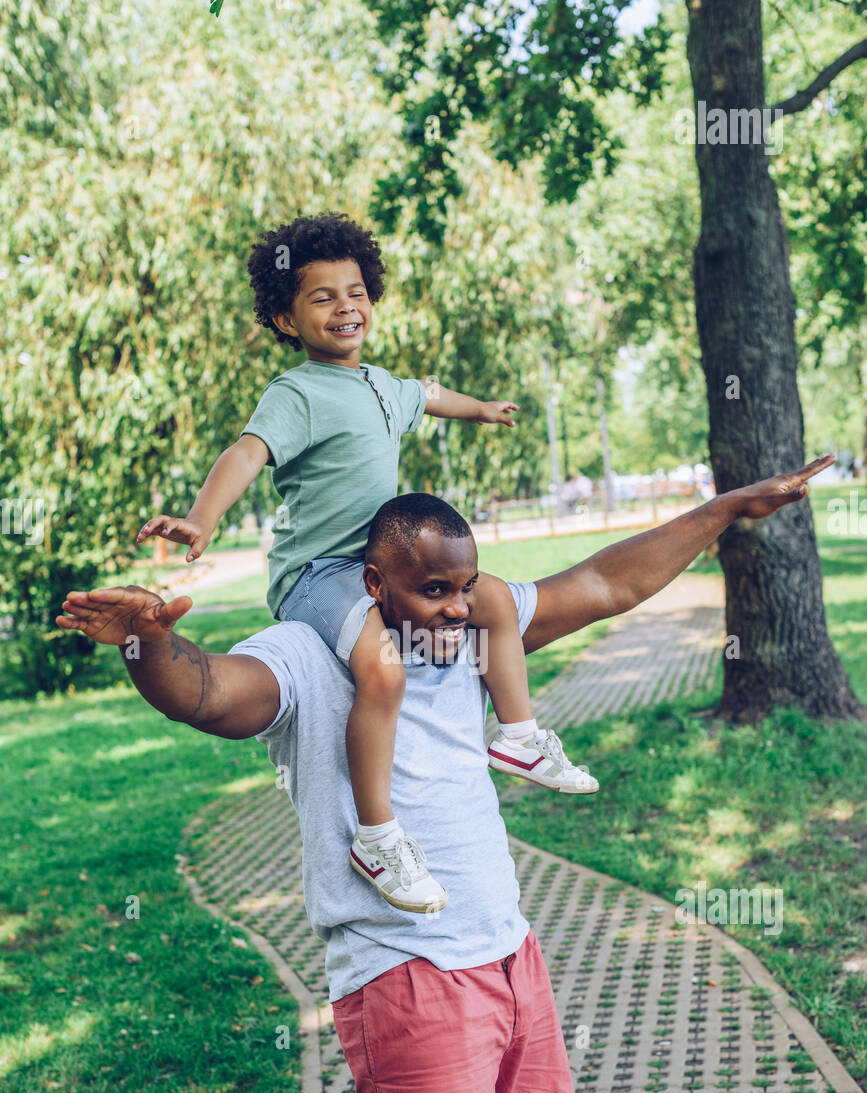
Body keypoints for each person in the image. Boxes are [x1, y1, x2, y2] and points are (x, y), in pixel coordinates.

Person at [57, 455, 833, 1093]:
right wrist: (150, 641)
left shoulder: (465, 629)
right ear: (373, 583)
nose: (454, 608)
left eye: (459, 590)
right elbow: (206, 693)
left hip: (508, 957)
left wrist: (721, 509)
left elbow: (608, 584)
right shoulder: (312, 650)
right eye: (431, 590)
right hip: (408, 979)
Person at [135, 211, 596, 917]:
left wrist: (481, 410)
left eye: (355, 292)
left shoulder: (383, 385)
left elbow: (430, 396)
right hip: (319, 574)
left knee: (494, 600)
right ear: (286, 320)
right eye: (322, 297)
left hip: (381, 568)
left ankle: (517, 736)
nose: (345, 306)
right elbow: (246, 453)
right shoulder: (297, 394)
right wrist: (203, 518)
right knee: (383, 666)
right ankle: (376, 837)